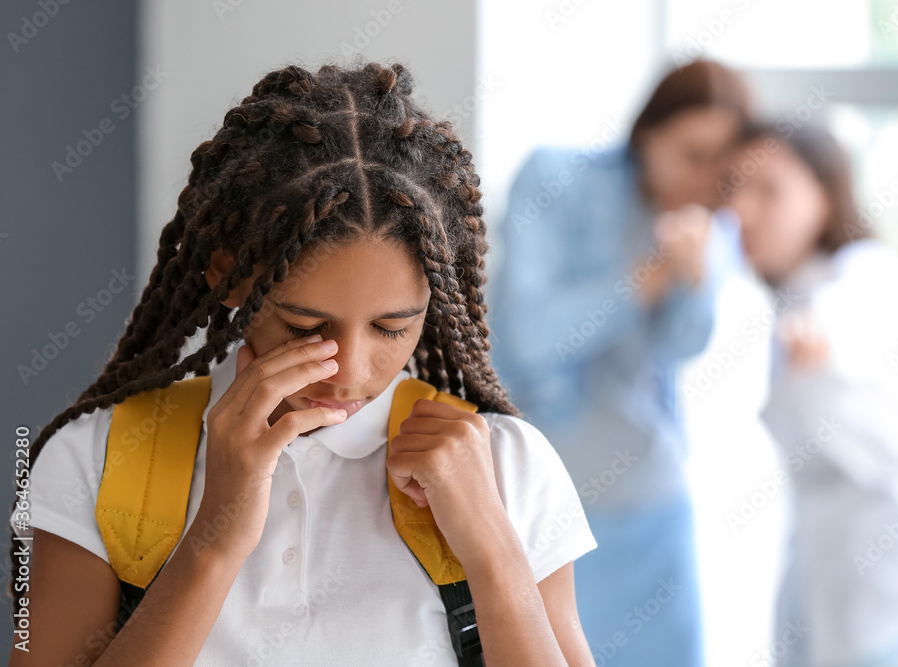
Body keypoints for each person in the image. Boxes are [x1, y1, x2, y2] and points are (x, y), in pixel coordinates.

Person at [6, 60, 600, 666]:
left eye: (392, 327)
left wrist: (495, 553)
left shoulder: (506, 464)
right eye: (306, 328)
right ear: (227, 276)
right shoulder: (99, 457)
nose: (348, 370)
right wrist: (216, 540)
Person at [486, 59, 749, 666]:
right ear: (647, 134)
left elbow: (685, 344)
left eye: (724, 166)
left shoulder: (710, 224)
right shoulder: (554, 177)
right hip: (542, 501)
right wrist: (648, 279)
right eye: (694, 152)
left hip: (652, 495)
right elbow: (526, 335)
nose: (707, 177)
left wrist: (698, 278)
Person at [727, 121, 898, 667]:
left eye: (769, 190)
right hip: (855, 599)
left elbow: (845, 340)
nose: (742, 212)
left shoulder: (860, 283)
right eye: (732, 188)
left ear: (826, 193)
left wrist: (819, 359)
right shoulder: (806, 291)